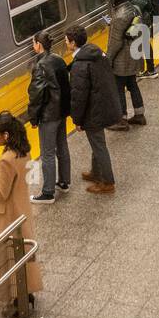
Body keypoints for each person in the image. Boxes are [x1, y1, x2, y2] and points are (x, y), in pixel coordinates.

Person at [0, 111, 43, 299]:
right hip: (21, 209)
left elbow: (0, 192)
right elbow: (10, 179)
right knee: (23, 254)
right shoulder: (23, 151)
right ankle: (27, 292)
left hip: (7, 215)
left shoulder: (6, 160)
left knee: (9, 257)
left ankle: (16, 296)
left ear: (6, 135)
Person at [66, 25, 121, 194]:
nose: (66, 43)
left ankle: (108, 182)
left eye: (67, 41)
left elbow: (79, 96)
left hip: (94, 111)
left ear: (73, 43)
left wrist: (77, 120)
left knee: (99, 145)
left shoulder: (80, 65)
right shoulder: (95, 52)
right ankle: (96, 172)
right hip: (104, 104)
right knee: (97, 143)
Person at [25, 30, 71, 204]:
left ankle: (48, 192)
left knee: (47, 153)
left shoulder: (40, 65)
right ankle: (64, 182)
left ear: (38, 44)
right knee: (62, 146)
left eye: (33, 43)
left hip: (49, 115)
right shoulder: (58, 59)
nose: (32, 46)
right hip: (61, 111)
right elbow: (65, 85)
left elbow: (36, 95)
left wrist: (34, 118)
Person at [105, 0, 144, 130]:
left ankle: (121, 119)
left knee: (118, 88)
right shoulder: (135, 8)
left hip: (122, 59)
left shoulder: (119, 16)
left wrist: (108, 60)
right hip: (135, 54)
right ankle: (140, 115)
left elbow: (115, 43)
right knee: (133, 84)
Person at [123, 0, 158, 79]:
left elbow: (140, 3)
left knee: (141, 43)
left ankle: (147, 70)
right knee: (144, 42)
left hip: (141, 19)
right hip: (143, 18)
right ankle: (149, 69)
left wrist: (130, 11)